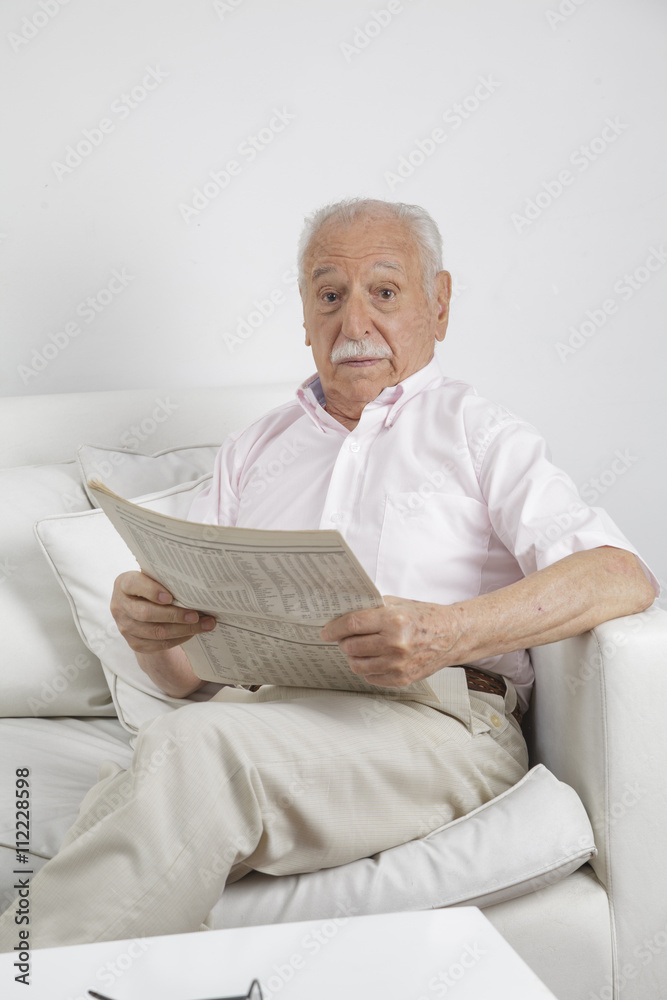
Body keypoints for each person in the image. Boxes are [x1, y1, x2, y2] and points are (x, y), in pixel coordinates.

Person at [0, 197, 657, 950]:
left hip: (441, 726)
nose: (353, 324)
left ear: (437, 306)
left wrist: (447, 631)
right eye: (329, 295)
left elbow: (619, 576)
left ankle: (22, 977)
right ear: (305, 316)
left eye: (383, 292)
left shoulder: (478, 432)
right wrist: (149, 630)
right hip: (269, 719)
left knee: (192, 753)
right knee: (174, 754)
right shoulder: (252, 450)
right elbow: (187, 682)